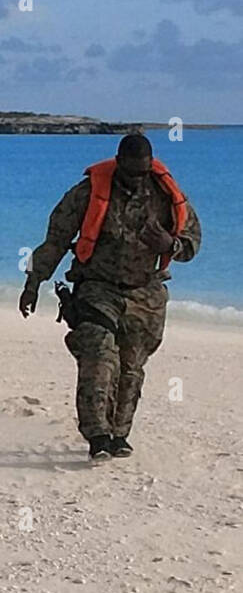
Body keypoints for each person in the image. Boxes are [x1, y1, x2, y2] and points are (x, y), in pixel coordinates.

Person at [19, 133, 201, 459]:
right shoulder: (90, 191)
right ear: (118, 163)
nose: (136, 179)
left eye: (143, 172)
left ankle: (119, 435)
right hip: (97, 286)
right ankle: (97, 434)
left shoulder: (167, 194)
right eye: (130, 172)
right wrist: (33, 282)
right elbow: (56, 239)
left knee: (131, 367)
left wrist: (169, 245)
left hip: (146, 292)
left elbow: (192, 242)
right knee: (98, 355)